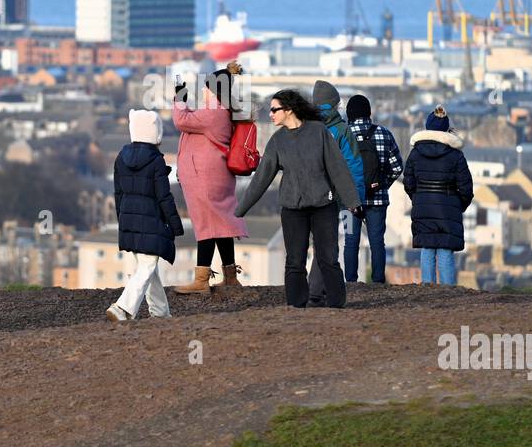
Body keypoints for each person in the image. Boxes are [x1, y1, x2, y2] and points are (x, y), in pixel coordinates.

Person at [235, 88, 360, 308]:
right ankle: (296, 305)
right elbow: (261, 179)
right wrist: (239, 212)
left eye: (274, 110)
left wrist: (353, 203)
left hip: (323, 206)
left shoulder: (319, 131)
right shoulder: (277, 140)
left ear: (289, 110)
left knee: (328, 258)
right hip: (292, 209)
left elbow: (338, 168)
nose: (271, 114)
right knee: (295, 261)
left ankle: (337, 305)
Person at [172, 62, 248, 296]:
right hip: (214, 174)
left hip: (204, 176)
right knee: (220, 224)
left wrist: (179, 98)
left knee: (206, 225)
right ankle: (230, 277)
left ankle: (201, 279)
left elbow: (181, 121)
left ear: (213, 89)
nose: (203, 92)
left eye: (206, 88)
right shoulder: (222, 109)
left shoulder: (213, 112)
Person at [106, 109, 185, 322]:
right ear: (155, 134)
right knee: (147, 267)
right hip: (152, 222)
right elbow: (164, 197)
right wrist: (175, 224)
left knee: (149, 269)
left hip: (129, 221)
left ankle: (160, 313)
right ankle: (122, 308)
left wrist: (122, 219)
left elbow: (118, 193)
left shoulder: (121, 157)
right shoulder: (156, 161)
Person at [306, 79, 366, 302]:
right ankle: (320, 291)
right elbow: (354, 166)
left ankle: (315, 289)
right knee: (330, 245)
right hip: (336, 196)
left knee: (317, 243)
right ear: (334, 104)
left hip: (308, 194)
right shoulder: (341, 130)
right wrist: (356, 198)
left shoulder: (305, 127)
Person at [404, 105, 474, 286]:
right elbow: (466, 188)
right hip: (448, 206)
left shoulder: (415, 153)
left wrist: (418, 198)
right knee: (445, 248)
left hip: (423, 204)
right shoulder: (455, 155)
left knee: (427, 247)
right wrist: (458, 205)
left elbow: (408, 183)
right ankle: (448, 290)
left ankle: (427, 288)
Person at [343, 94, 404, 283]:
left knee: (351, 240)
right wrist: (382, 184)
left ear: (349, 113)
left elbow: (335, 168)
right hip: (378, 199)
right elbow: (397, 167)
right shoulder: (384, 133)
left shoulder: (343, 134)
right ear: (369, 112)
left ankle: (351, 282)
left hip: (350, 199)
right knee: (377, 241)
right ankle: (378, 282)